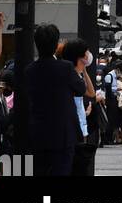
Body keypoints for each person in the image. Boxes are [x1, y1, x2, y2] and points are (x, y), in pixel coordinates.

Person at [25, 23, 86, 177]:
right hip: (63, 134)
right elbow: (81, 89)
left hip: (39, 133)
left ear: (37, 44)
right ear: (55, 44)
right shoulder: (65, 67)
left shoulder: (30, 70)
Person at [60, 39, 103, 177]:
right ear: (81, 56)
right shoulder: (70, 75)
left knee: (80, 162)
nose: (89, 55)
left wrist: (84, 70)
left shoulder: (77, 74)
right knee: (77, 165)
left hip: (80, 123)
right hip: (74, 126)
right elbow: (90, 93)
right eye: (87, 52)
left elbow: (90, 93)